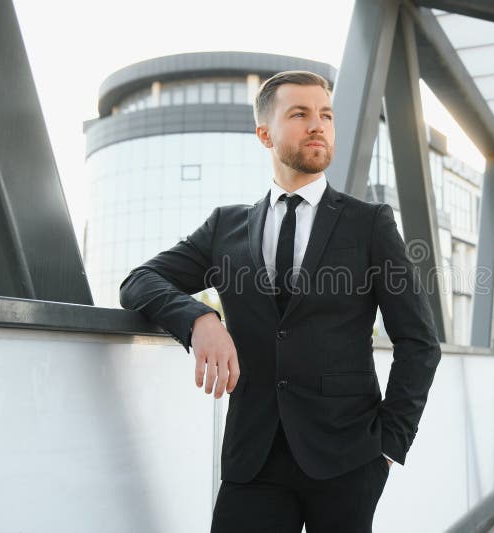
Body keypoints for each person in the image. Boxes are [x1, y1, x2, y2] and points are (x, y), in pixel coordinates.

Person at [119, 70, 441, 532]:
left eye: (325, 115)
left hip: (349, 458)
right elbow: (140, 280)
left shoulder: (369, 224)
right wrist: (199, 319)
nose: (318, 125)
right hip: (253, 459)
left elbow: (419, 342)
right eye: (300, 114)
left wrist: (390, 444)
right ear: (264, 133)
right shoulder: (224, 228)